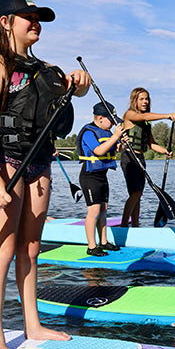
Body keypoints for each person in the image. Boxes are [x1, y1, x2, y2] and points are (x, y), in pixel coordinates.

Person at [0, 0, 91, 349]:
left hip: (39, 163)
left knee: (30, 249)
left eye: (38, 16)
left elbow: (64, 102)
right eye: (28, 16)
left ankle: (32, 325)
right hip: (6, 163)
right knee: (4, 247)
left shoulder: (48, 70)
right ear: (6, 22)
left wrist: (80, 85)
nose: (36, 22)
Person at [120, 88, 174, 227]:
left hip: (140, 159)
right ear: (135, 101)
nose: (145, 101)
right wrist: (167, 116)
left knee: (138, 194)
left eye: (147, 99)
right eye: (141, 99)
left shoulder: (147, 123)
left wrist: (165, 151)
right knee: (135, 192)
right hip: (129, 158)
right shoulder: (130, 114)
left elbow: (151, 144)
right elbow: (144, 116)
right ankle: (124, 225)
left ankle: (136, 225)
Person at [77, 101, 125, 256]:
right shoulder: (89, 132)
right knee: (94, 211)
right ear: (100, 118)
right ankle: (92, 246)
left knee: (103, 209)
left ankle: (103, 242)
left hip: (102, 176)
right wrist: (115, 136)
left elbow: (113, 148)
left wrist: (121, 144)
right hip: (89, 176)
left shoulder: (107, 132)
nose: (112, 124)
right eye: (111, 120)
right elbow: (98, 150)